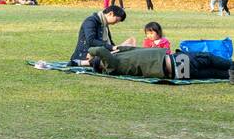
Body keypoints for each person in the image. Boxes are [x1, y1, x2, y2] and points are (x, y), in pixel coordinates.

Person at [88, 44, 234, 82]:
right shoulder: (112, 64)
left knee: (214, 73)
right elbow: (100, 49)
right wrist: (90, 51)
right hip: (178, 62)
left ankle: (230, 74)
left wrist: (116, 50)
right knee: (208, 58)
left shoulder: (113, 69)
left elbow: (129, 48)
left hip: (178, 75)